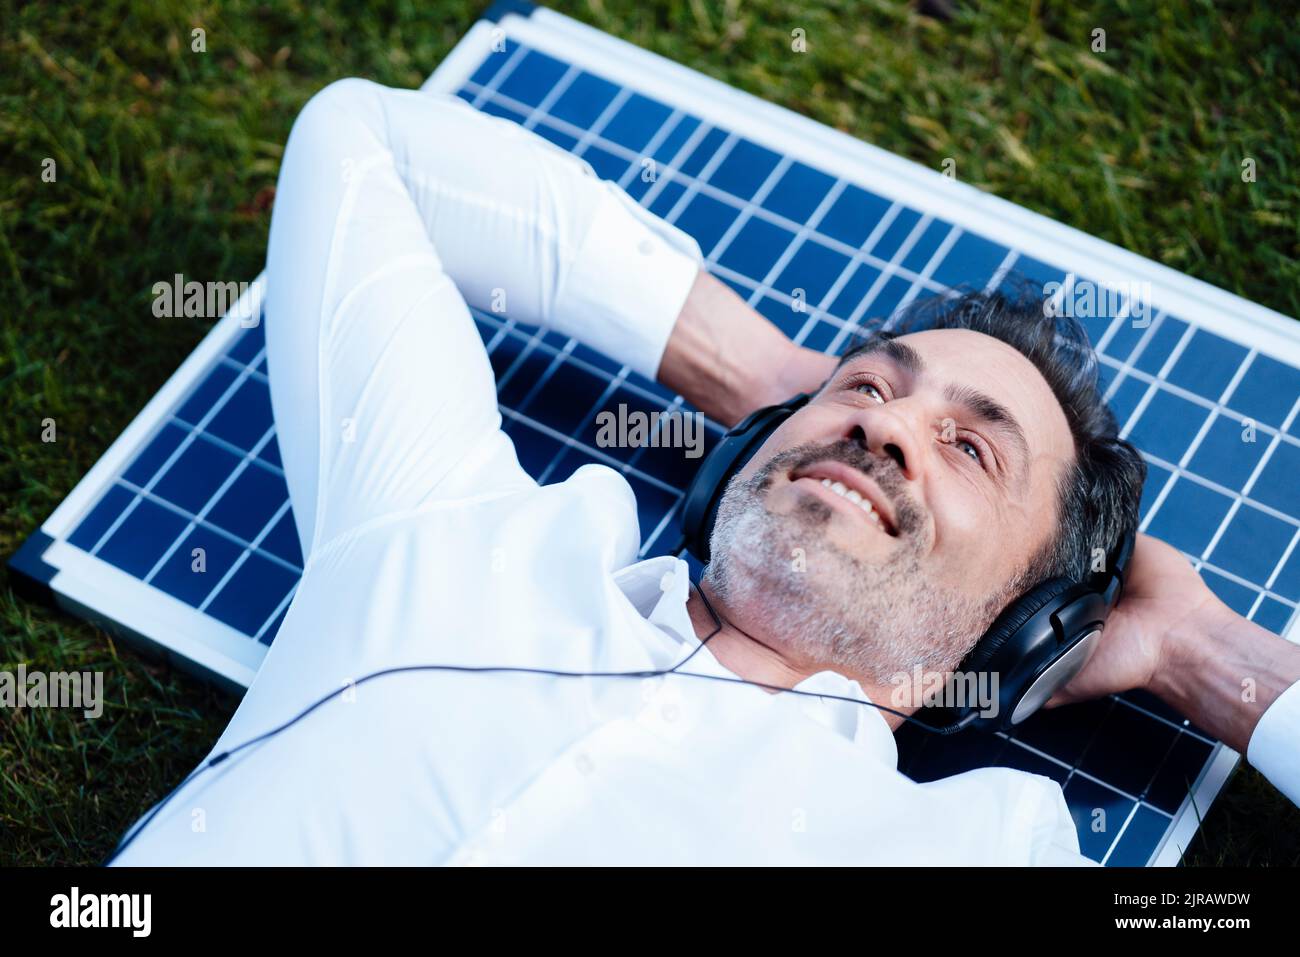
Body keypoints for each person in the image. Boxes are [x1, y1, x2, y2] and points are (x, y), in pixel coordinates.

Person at [111, 78, 1300, 865]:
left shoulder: (974, 849)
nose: (885, 429)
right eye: (869, 388)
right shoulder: (452, 536)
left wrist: (1220, 662)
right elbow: (364, 147)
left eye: (970, 448)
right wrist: (772, 381)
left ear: (1020, 631)